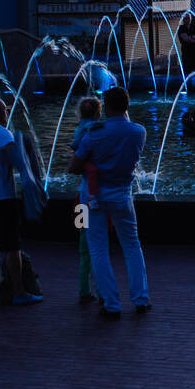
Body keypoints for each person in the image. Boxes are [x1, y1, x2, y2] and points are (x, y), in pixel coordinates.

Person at [68, 86, 150, 318]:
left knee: (98, 249)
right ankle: (141, 299)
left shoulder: (94, 133)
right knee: (132, 246)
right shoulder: (138, 132)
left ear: (107, 106)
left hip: (92, 198)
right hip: (122, 195)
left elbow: (74, 167)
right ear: (127, 106)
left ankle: (112, 305)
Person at [0, 97, 41, 306]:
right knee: (12, 247)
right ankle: (20, 292)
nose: (6, 114)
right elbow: (17, 162)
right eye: (4, 110)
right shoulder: (3, 134)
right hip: (4, 198)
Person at [72, 98, 104, 302]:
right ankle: (102, 292)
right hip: (96, 199)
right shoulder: (99, 131)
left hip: (80, 198)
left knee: (83, 246)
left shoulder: (78, 132)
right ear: (98, 113)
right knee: (99, 246)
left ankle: (83, 290)